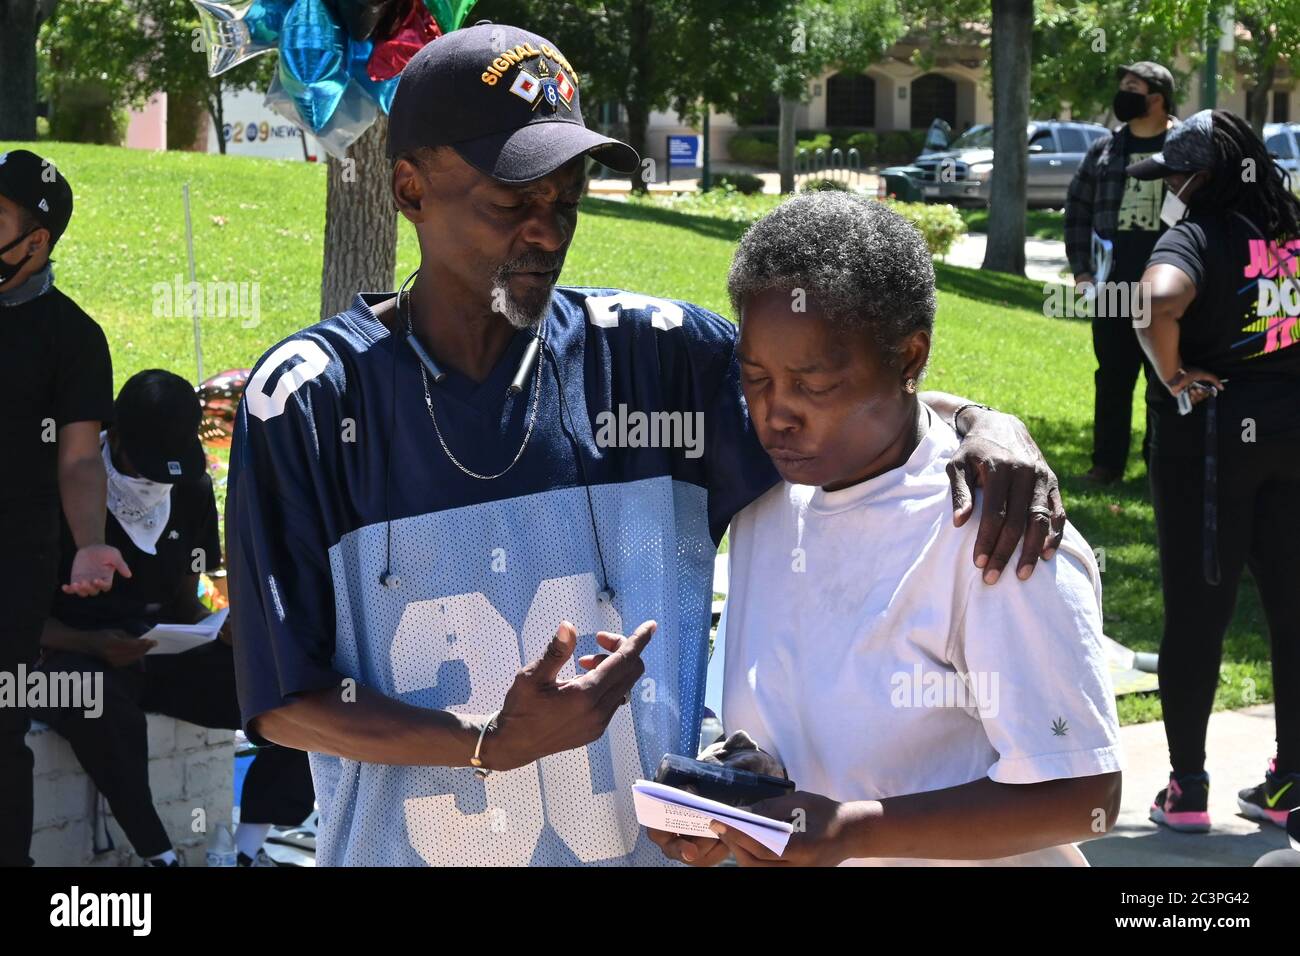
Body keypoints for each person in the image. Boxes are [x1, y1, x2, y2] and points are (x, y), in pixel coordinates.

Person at [228, 24, 1067, 867]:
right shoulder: (308, 398)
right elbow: (281, 699)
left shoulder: (655, 357)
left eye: (565, 200)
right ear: (410, 189)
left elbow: (845, 396)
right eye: (513, 202)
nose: (547, 233)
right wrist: (486, 741)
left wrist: (979, 420)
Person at [647, 193, 1122, 867]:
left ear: (909, 357)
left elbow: (1087, 791)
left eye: (812, 386)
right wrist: (736, 790)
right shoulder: (768, 493)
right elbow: (799, 728)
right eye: (754, 379)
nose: (776, 414)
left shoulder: (993, 528)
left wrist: (855, 830)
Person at [33, 370, 314, 866]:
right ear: (114, 435)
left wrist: (222, 628)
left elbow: (186, 599)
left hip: (157, 654)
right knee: (93, 698)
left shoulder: (190, 490)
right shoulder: (56, 489)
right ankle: (159, 855)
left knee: (290, 680)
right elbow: (19, 618)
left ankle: (246, 850)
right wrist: (95, 644)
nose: (154, 482)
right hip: (68, 655)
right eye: (144, 467)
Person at [1129, 110, 1300, 832]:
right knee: (1293, 610)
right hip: (1291, 436)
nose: (1168, 184)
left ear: (1200, 177)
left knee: (1198, 615)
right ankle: (1290, 787)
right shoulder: (1289, 234)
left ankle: (1187, 790)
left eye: (1175, 173)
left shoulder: (1195, 234)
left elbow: (1157, 300)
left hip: (1209, 445)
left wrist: (1172, 377)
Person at [0, 149, 130, 867]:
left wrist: (89, 542)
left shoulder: (73, 338)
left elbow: (79, 458)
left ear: (36, 240)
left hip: (13, 561)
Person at [1065, 62, 1177, 484]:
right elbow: (1077, 208)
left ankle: (1160, 466)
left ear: (1157, 97)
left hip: (1170, 291)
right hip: (1114, 287)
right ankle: (1106, 464)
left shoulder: (1185, 146)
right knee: (1112, 377)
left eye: (1133, 87)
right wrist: (1082, 273)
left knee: (1164, 379)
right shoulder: (1105, 150)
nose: (1123, 93)